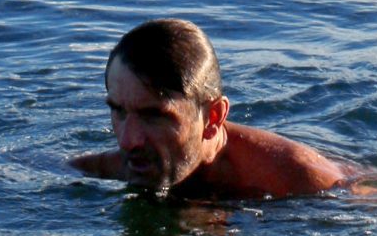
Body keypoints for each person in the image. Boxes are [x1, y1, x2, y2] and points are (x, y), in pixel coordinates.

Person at [71, 17, 348, 200]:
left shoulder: (305, 183)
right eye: (119, 111)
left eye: (154, 116)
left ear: (213, 117)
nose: (128, 141)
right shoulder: (101, 168)